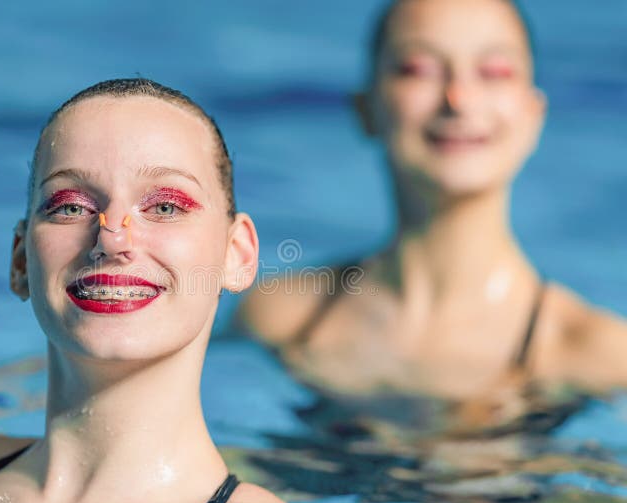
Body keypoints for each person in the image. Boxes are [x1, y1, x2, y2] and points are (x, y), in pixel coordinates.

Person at [0, 79, 328, 503]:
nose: (111, 239)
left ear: (237, 255)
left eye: (164, 207)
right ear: (21, 260)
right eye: (70, 206)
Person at [241, 0, 627, 403]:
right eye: (419, 69)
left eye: (494, 72)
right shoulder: (282, 318)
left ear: (534, 117)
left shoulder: (600, 359)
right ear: (366, 110)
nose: (459, 98)